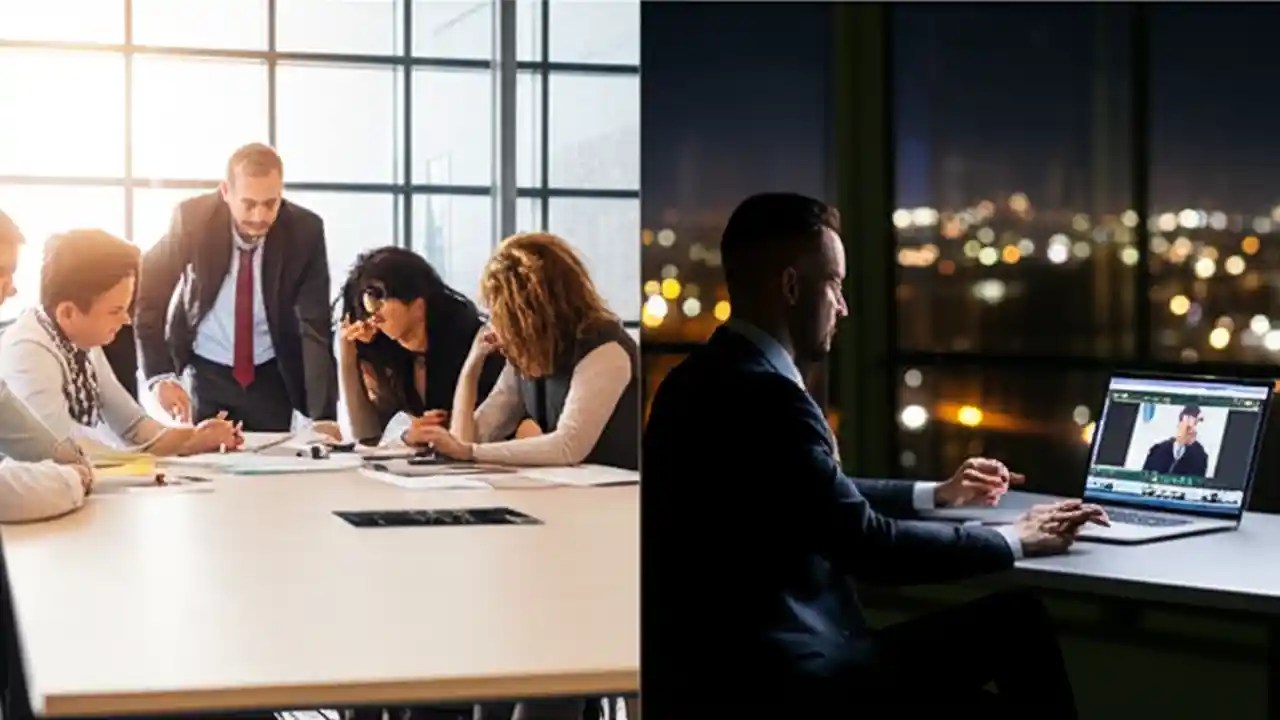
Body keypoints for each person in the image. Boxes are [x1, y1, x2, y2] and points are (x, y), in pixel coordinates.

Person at [641, 193, 1109, 718]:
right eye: (834, 284)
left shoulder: (691, 381)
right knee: (1017, 621)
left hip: (715, 678)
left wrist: (935, 494)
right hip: (794, 680)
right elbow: (867, 545)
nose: (843, 306)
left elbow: (806, 493)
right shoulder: (771, 398)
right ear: (793, 287)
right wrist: (1012, 539)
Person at [134, 143, 338, 433]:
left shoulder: (305, 231)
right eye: (249, 204)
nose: (259, 216)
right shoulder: (193, 219)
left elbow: (314, 325)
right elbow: (151, 296)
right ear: (226, 192)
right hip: (206, 367)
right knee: (208, 466)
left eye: (270, 203)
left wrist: (324, 416)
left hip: (272, 371)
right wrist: (160, 375)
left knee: (272, 469)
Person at [0, 230, 241, 457]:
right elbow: (68, 452)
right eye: (115, 310)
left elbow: (132, 426)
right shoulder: (28, 352)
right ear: (68, 313)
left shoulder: (79, 339)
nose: (126, 319)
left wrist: (192, 437)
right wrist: (181, 447)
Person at [414, 232, 640, 471]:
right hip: (577, 493)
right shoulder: (529, 355)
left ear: (528, 312)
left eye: (499, 310)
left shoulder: (604, 348)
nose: (494, 321)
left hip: (622, 495)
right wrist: (472, 365)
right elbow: (468, 440)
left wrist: (470, 452)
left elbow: (569, 446)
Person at [337, 247, 504, 447]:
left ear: (418, 304)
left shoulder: (475, 345)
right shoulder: (389, 353)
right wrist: (346, 351)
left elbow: (477, 435)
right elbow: (364, 436)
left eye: (378, 299)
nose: (373, 314)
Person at [0, 210, 94, 522]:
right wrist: (70, 480)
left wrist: (65, 458)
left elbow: (7, 415)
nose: (10, 290)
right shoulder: (29, 345)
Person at [1142, 405, 1209, 476]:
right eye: (1188, 428)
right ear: (1179, 425)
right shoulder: (1157, 450)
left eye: (1194, 427)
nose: (1190, 432)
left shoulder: (1200, 456)